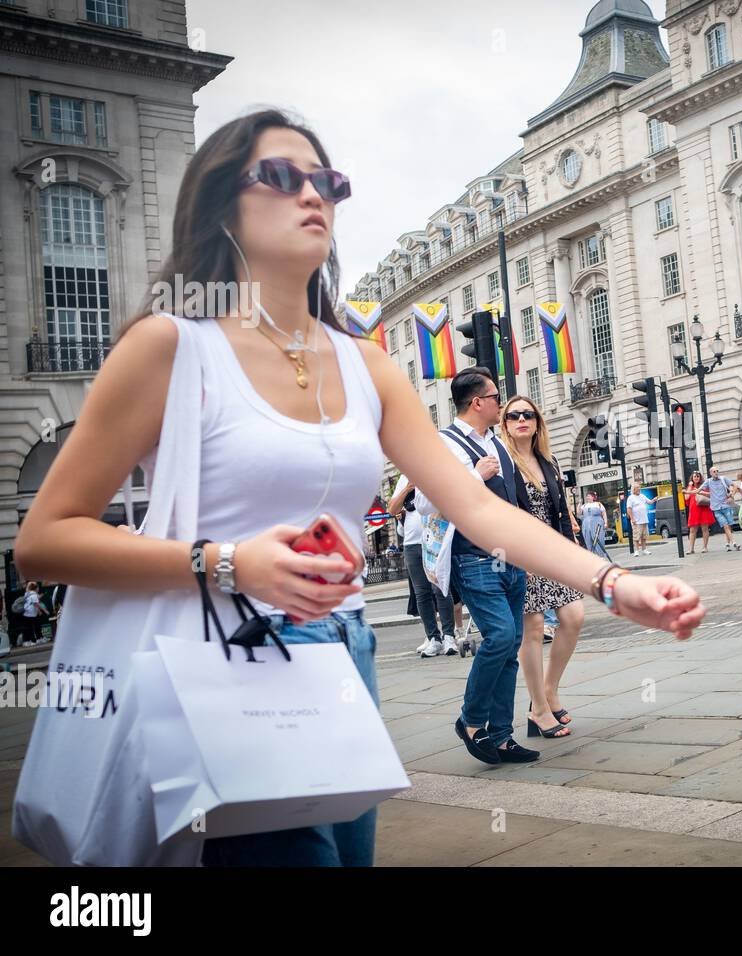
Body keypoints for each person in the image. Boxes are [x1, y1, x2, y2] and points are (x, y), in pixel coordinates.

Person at [12, 111, 704, 868]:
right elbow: (45, 540)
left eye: (328, 182)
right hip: (230, 655)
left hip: (346, 657)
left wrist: (613, 581)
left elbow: (477, 507)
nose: (313, 195)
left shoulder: (364, 364)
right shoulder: (170, 347)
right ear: (221, 204)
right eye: (281, 176)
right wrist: (226, 561)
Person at [499, 395, 585, 737]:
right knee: (533, 628)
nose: (521, 419)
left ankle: (550, 689)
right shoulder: (503, 463)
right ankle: (537, 707)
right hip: (523, 552)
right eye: (513, 415)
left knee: (574, 617)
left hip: (553, 550)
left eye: (528, 415)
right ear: (504, 424)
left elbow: (560, 510)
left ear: (537, 423)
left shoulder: (548, 462)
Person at [389, 475, 456, 658]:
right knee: (421, 593)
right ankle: (433, 638)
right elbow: (391, 509)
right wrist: (407, 489)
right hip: (411, 543)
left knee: (440, 587)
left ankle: (449, 635)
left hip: (435, 538)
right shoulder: (404, 479)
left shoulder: (430, 469)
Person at [702, 466, 740, 551]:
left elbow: (735, 485)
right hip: (716, 508)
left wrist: (732, 496)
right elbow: (699, 490)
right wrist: (688, 491)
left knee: (729, 526)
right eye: (714, 471)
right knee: (726, 526)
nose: (716, 472)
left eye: (717, 471)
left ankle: (727, 544)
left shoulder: (723, 479)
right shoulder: (708, 482)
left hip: (726, 506)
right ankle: (734, 543)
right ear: (710, 473)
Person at [684, 471, 712, 553]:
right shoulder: (690, 488)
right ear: (692, 478)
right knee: (692, 530)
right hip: (694, 511)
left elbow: (709, 495)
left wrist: (700, 491)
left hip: (703, 509)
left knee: (705, 529)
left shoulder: (703, 486)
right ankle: (691, 549)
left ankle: (705, 547)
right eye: (694, 476)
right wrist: (689, 485)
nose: (696, 478)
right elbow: (686, 497)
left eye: (697, 476)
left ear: (700, 478)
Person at [579, 492, 611, 559]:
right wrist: (579, 504)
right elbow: (579, 513)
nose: (588, 497)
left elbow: (604, 513)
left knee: (598, 538)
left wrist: (605, 523)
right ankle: (592, 555)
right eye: (587, 496)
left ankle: (600, 555)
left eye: (589, 496)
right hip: (586, 524)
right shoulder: (584, 505)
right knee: (588, 539)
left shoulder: (598, 504)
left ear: (593, 497)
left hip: (597, 523)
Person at [626, 481, 650, 556]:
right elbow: (629, 509)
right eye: (637, 488)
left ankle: (644, 549)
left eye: (639, 487)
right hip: (636, 520)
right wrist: (632, 519)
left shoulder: (642, 496)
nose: (639, 489)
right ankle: (636, 551)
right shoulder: (631, 498)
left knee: (644, 536)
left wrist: (654, 500)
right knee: (636, 536)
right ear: (634, 489)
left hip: (644, 519)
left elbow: (649, 502)